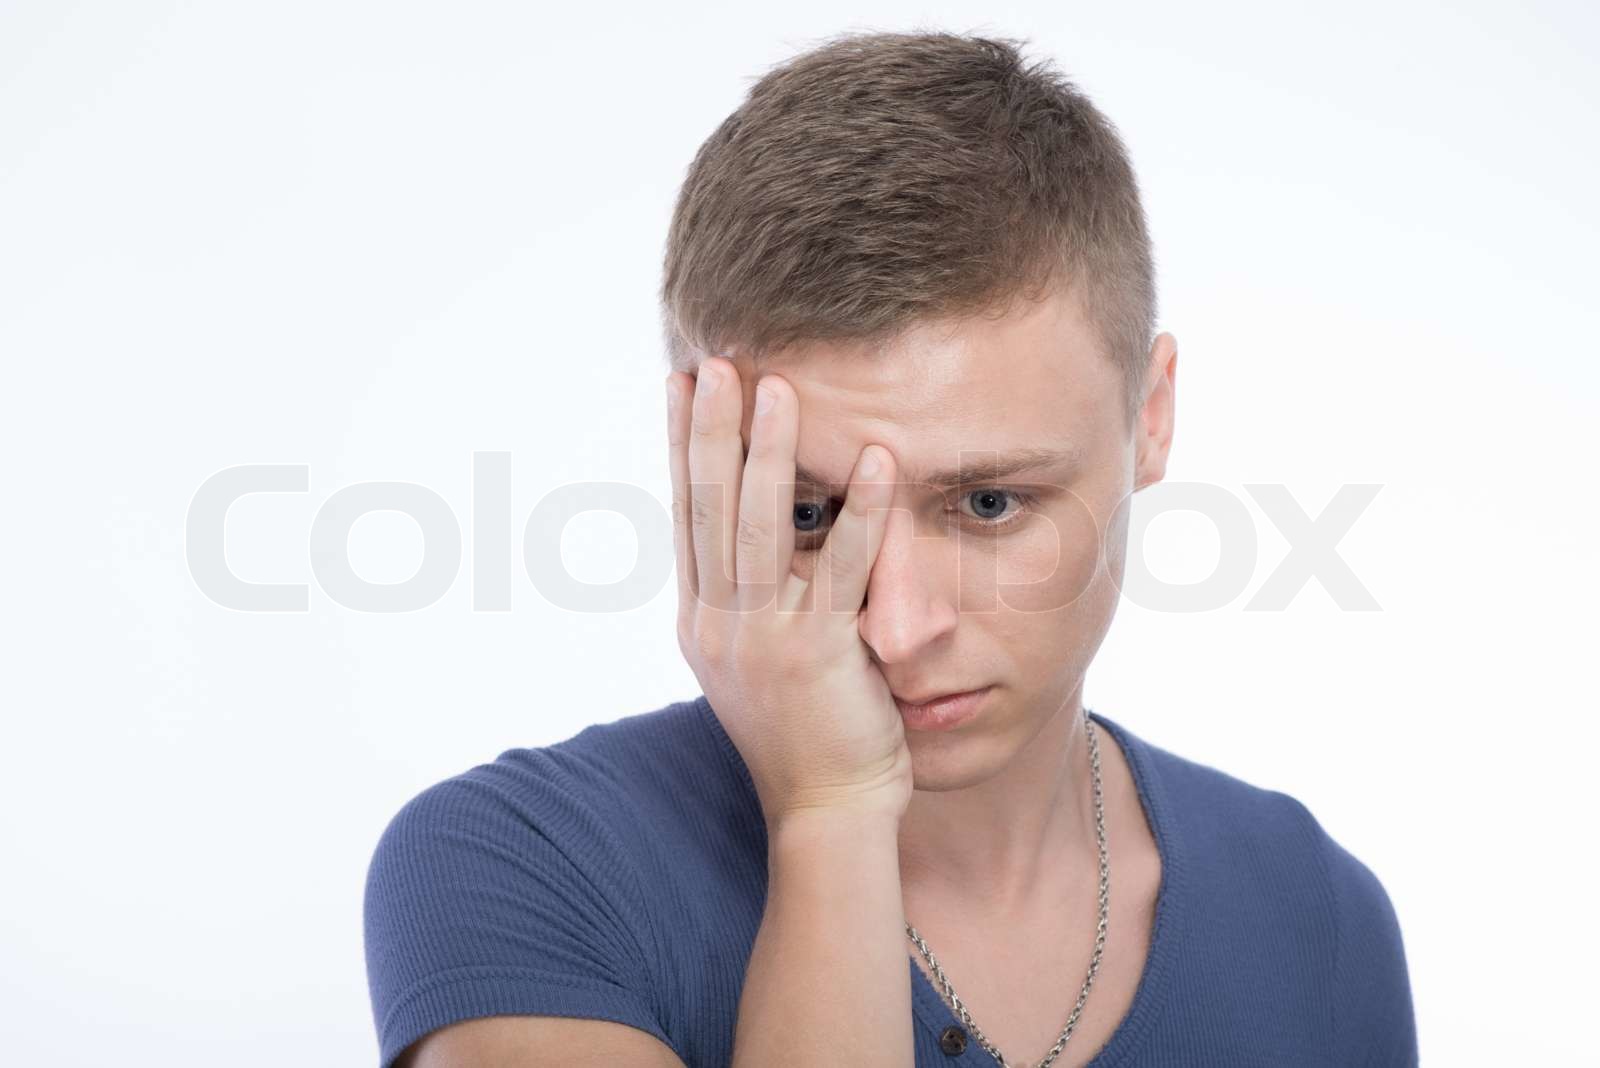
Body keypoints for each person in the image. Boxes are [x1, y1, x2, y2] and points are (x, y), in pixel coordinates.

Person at [363, 29, 1418, 1068]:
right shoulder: (521, 868)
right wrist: (831, 815)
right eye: (809, 515)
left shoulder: (1315, 916)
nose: (898, 628)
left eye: (989, 503)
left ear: (1150, 419)